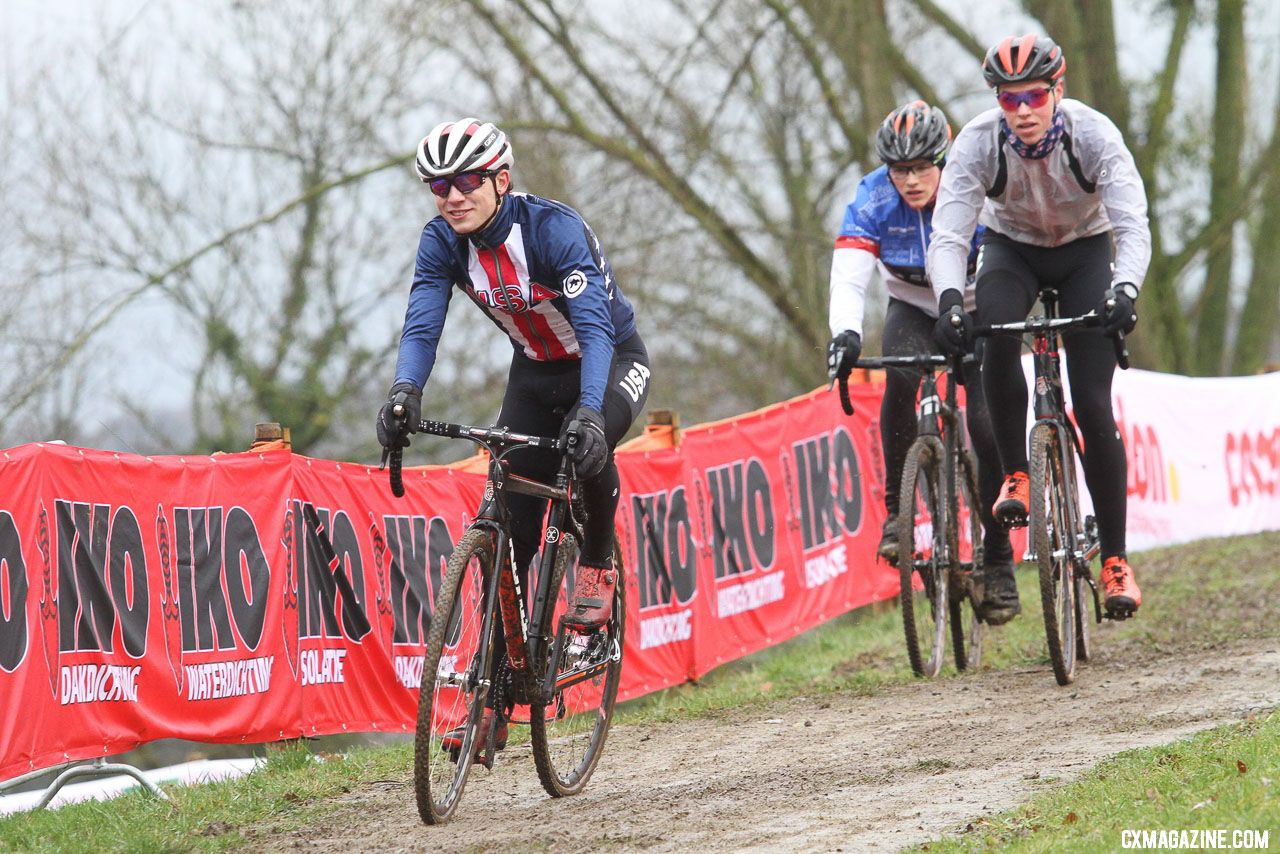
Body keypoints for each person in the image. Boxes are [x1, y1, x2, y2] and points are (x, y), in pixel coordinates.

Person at [377, 118, 650, 758]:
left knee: (590, 452)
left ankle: (597, 567)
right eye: (439, 185)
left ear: (501, 179)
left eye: (467, 180)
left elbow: (593, 326)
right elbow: (423, 323)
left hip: (607, 361)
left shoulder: (553, 231)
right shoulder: (442, 242)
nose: (452, 196)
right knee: (513, 533)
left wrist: (589, 412)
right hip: (533, 372)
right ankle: (496, 694)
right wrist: (403, 393)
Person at [926, 34, 1149, 619]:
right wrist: (950, 299)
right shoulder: (977, 143)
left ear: (1057, 91)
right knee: (993, 332)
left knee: (1094, 405)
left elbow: (1131, 225)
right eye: (1008, 99)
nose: (1022, 111)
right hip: (1012, 251)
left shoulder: (1094, 135)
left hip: (1085, 252)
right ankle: (1017, 475)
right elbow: (948, 235)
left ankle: (1115, 561)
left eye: (1033, 96)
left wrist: (1124, 289)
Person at [827, 100, 1016, 623]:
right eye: (900, 170)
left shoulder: (970, 186)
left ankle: (998, 561)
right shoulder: (873, 197)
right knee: (900, 378)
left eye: (922, 167)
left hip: (976, 304)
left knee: (984, 421)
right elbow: (849, 273)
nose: (911, 180)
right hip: (911, 303)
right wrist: (843, 333)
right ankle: (896, 516)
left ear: (944, 159)